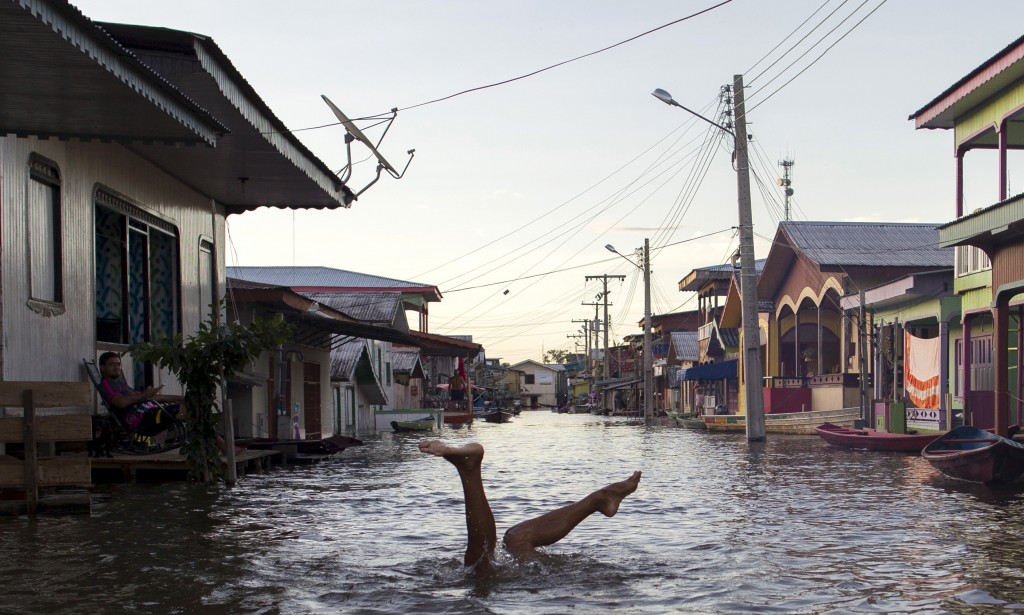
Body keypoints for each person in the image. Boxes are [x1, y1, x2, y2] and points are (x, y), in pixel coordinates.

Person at [418, 439, 641, 575]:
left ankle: (470, 471)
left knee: (481, 568)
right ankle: (598, 500)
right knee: (515, 537)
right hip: (539, 573)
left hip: (533, 579)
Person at [98, 351, 181, 436]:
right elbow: (120, 402)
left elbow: (150, 397)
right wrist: (145, 395)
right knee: (184, 408)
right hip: (144, 420)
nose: (117, 367)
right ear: (102, 367)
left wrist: (180, 398)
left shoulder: (121, 385)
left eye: (118, 364)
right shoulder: (106, 384)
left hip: (152, 413)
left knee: (186, 405)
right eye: (112, 364)